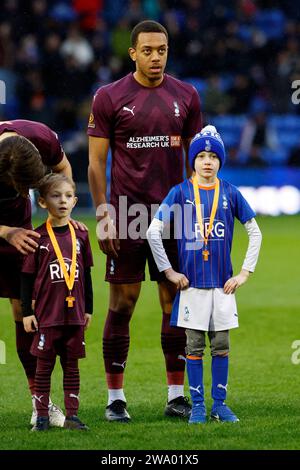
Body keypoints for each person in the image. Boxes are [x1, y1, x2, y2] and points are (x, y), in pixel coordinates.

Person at [88, 20, 202, 422]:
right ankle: (115, 399)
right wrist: (104, 214)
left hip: (175, 215)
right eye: (148, 50)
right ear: (133, 53)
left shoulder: (186, 96)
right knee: (123, 303)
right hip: (128, 214)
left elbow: (197, 161)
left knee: (175, 303)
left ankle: (175, 395)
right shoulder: (109, 97)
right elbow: (96, 164)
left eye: (162, 50)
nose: (156, 57)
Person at [147, 125, 262, 424]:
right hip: (192, 287)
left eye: (213, 156)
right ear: (193, 160)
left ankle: (219, 406)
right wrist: (169, 271)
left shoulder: (230, 193)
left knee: (221, 346)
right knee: (194, 346)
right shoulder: (180, 192)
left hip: (223, 288)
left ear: (220, 161)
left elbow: (255, 233)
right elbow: (152, 231)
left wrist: (244, 274)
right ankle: (198, 406)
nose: (207, 161)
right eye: (202, 156)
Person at [0, 119, 81, 427]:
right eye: (17, 189)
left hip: (18, 231)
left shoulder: (43, 137)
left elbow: (64, 174)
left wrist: (61, 220)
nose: (23, 193)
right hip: (8, 229)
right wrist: (5, 231)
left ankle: (40, 404)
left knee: (24, 310)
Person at [21, 173, 93, 431]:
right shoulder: (37, 237)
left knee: (71, 365)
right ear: (42, 202)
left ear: (75, 201)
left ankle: (72, 416)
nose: (62, 201)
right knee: (44, 367)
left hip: (74, 315)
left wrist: (89, 309)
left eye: (67, 196)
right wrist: (27, 312)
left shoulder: (82, 237)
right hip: (47, 315)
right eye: (55, 196)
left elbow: (86, 275)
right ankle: (41, 416)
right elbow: (27, 279)